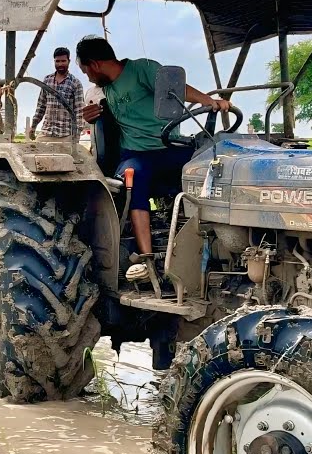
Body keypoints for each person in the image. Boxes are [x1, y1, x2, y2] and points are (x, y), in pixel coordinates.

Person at [76, 36, 228, 282]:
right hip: (135, 154)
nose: (89, 78)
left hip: (168, 147)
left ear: (94, 64)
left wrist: (208, 101)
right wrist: (91, 116)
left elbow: (176, 90)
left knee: (211, 166)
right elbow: (101, 119)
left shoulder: (141, 70)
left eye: (86, 72)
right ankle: (146, 260)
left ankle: (216, 249)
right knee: (134, 176)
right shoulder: (105, 91)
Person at [28, 47, 84, 141]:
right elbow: (41, 106)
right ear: (54, 61)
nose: (60, 64)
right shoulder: (47, 80)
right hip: (47, 132)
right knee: (33, 148)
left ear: (69, 61)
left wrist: (77, 134)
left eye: (63, 61)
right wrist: (33, 127)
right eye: (57, 61)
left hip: (66, 134)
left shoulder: (75, 83)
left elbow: (79, 110)